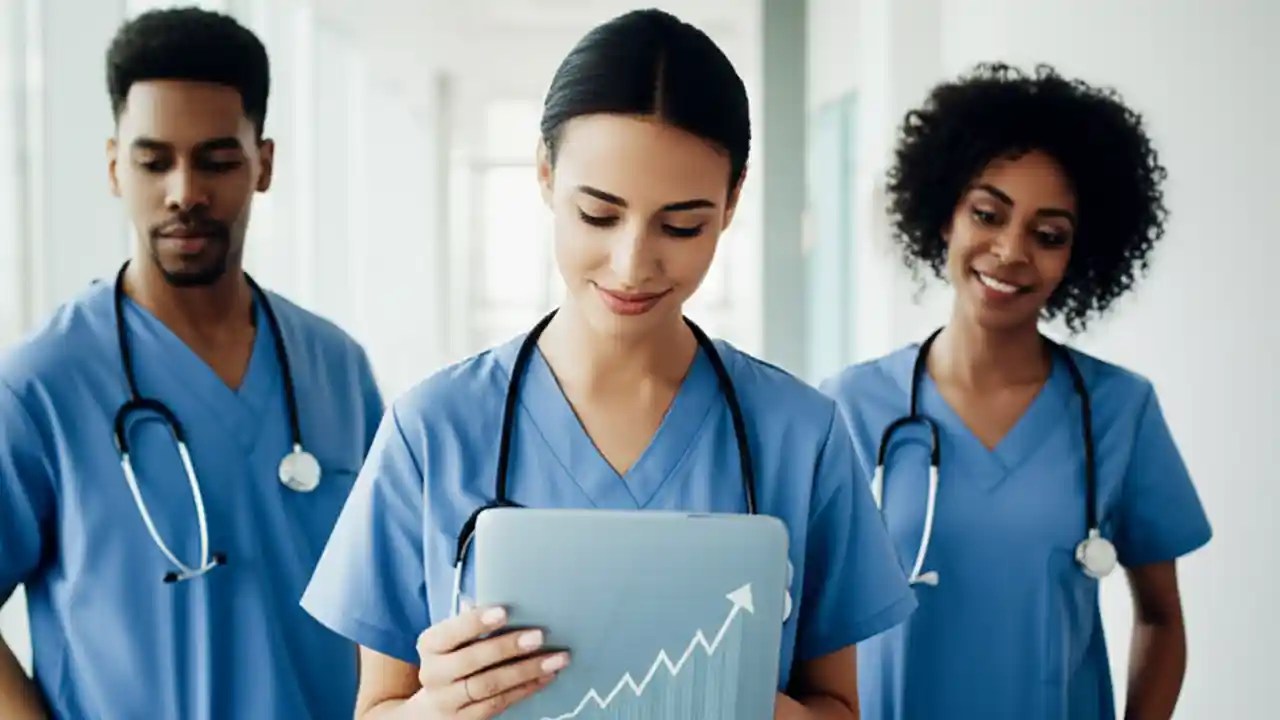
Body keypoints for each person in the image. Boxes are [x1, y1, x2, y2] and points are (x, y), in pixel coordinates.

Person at [300, 9, 916, 720]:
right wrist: (438, 707)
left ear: (733, 200)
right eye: (598, 215)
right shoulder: (432, 430)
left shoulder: (799, 436)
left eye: (682, 225)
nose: (632, 265)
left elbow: (838, 706)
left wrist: (731, 695)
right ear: (544, 174)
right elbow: (376, 710)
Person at [0, 8, 384, 719]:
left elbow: (391, 598)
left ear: (262, 164)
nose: (184, 192)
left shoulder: (336, 371)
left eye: (216, 160)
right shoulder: (40, 385)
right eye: (154, 162)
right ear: (116, 166)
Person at [820, 63, 1213, 719]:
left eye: (1048, 234)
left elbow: (1162, 622)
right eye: (987, 214)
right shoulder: (854, 407)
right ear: (944, 214)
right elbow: (803, 619)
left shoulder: (1120, 411)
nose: (1010, 251)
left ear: (1079, 255)